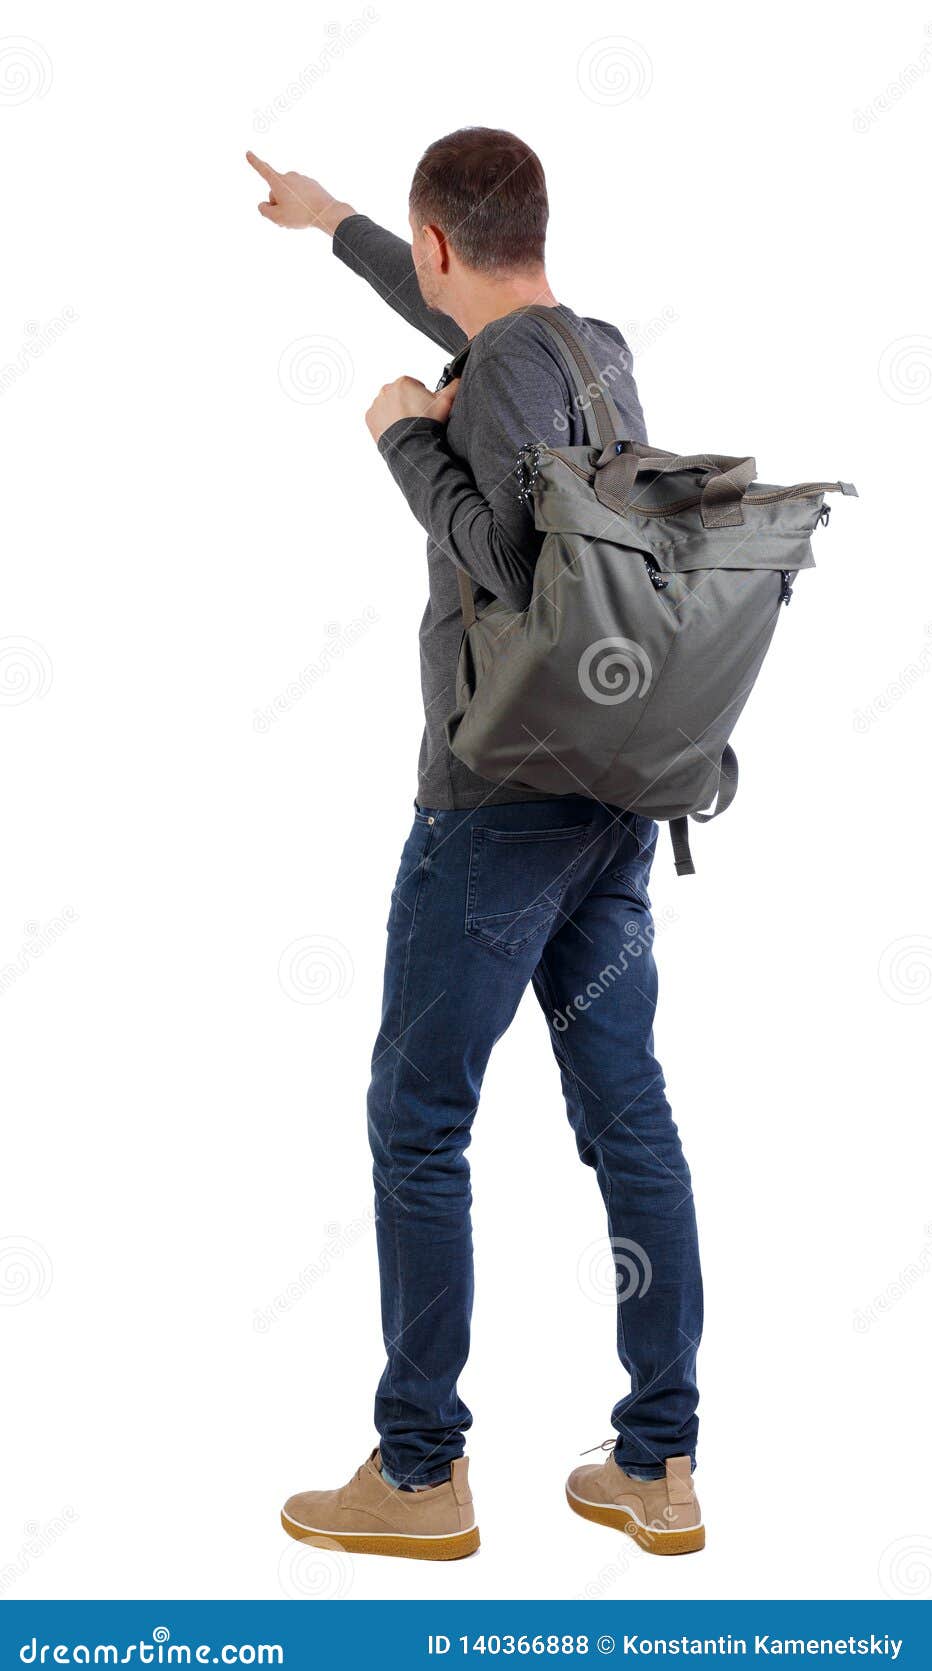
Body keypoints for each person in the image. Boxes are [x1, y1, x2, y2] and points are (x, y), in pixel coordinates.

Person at [247, 128, 704, 1560]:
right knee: (626, 1110)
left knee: (418, 1118)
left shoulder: (492, 377)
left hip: (495, 803)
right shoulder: (589, 347)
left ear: (443, 242)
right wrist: (332, 226)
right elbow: (471, 335)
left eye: (409, 244)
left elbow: (507, 565)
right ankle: (659, 1463)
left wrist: (398, 436)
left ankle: (420, 1468)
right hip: (613, 798)